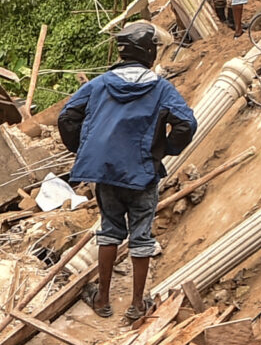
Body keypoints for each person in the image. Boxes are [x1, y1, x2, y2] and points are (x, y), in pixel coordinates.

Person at [56, 22, 198, 320]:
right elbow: (186, 123)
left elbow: (67, 116)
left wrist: (82, 149)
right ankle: (136, 305)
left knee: (109, 232)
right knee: (142, 236)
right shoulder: (160, 88)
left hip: (106, 172)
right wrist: (165, 149)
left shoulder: (100, 83)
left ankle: (103, 300)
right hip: (143, 172)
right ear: (149, 52)